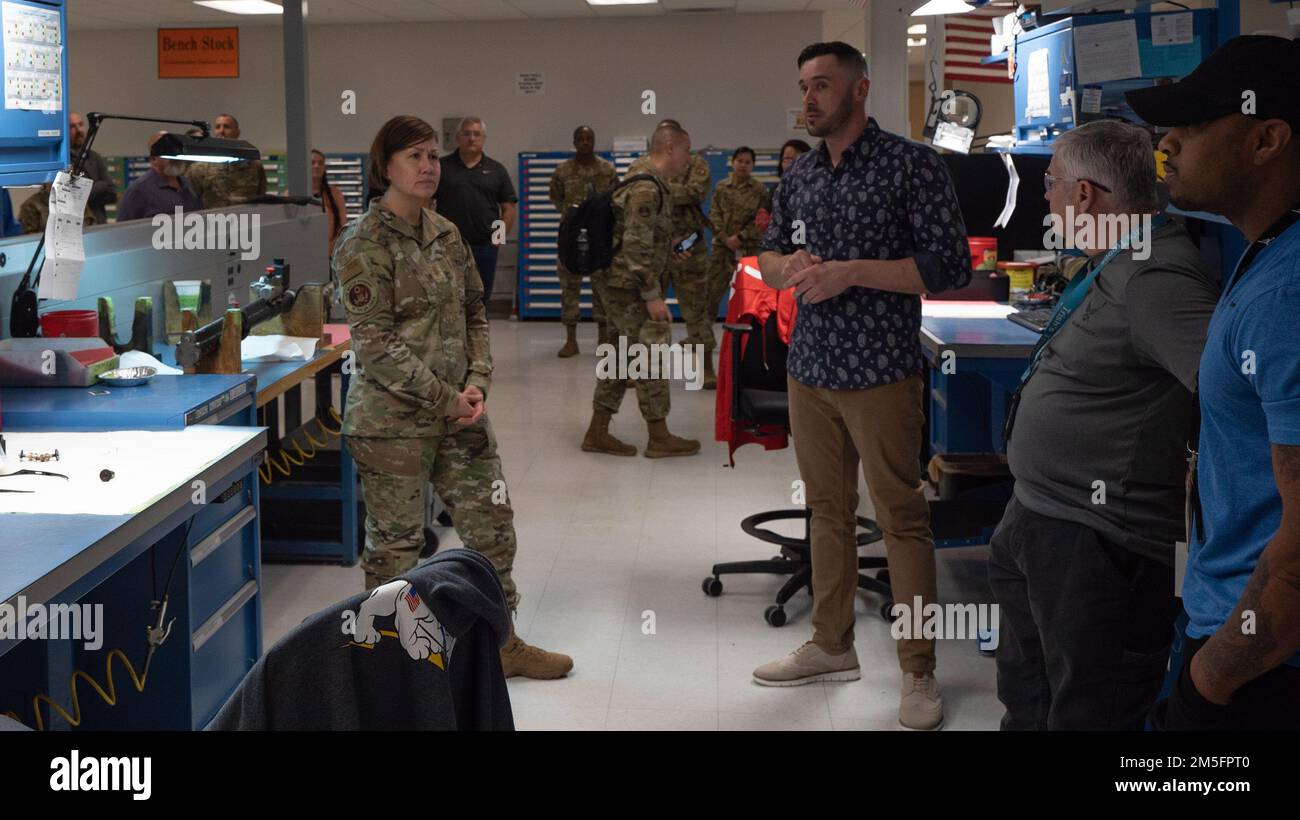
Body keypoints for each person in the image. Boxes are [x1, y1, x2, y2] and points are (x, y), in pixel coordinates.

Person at [751, 42, 970, 731]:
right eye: (804, 85)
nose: (809, 98)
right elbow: (765, 252)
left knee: (902, 520)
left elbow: (948, 266)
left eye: (823, 85)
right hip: (810, 369)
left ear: (859, 90)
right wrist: (787, 266)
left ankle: (918, 670)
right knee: (826, 513)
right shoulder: (802, 174)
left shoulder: (912, 166)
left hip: (881, 372)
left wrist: (853, 271)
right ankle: (831, 644)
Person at [987, 120, 1219, 731]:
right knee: (1029, 693)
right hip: (1042, 518)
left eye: (1050, 183)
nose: (1045, 198)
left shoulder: (1155, 277)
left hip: (1098, 540)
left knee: (1091, 710)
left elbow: (1232, 400)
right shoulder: (1114, 258)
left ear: (1085, 196)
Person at [332, 115, 571, 679]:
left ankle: (501, 643)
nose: (428, 167)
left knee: (492, 525)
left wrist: (478, 383)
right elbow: (376, 346)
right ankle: (390, 668)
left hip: (460, 414)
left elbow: (474, 313)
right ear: (385, 166)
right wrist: (444, 397)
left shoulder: (447, 233)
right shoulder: (362, 243)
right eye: (414, 156)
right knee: (395, 548)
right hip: (391, 423)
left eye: (433, 156)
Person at [1126, 35, 1300, 731]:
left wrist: (1210, 680)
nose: (1169, 143)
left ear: (1267, 141)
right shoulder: (1267, 253)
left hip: (1260, 665)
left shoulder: (1286, 295)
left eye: (1195, 125)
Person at [581, 122, 700, 459]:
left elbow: (641, 235)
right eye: (687, 151)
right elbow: (634, 248)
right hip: (629, 286)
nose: (688, 160)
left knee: (621, 355)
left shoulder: (644, 177)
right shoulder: (647, 186)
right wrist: (652, 296)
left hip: (619, 282)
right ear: (670, 148)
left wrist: (671, 246)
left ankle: (597, 431)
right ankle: (659, 436)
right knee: (650, 352)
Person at [625, 119, 715, 387]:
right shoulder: (645, 170)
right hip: (655, 246)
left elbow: (694, 192)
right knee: (649, 309)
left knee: (696, 309)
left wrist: (661, 186)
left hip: (688, 245)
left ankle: (706, 367)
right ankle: (643, 369)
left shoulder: (695, 164)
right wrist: (661, 187)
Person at [550, 125, 617, 357]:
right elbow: (556, 197)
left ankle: (603, 337)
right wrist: (571, 216)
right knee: (569, 287)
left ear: (594, 141)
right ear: (575, 141)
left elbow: (615, 198)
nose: (585, 142)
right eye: (581, 138)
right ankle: (571, 339)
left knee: (602, 287)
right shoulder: (563, 171)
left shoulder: (606, 170)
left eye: (589, 138)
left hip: (599, 235)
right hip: (571, 237)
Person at [435, 117, 517, 304]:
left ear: (484, 138)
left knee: (481, 299)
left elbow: (508, 207)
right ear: (457, 137)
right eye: (466, 134)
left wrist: (497, 239)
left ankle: (479, 333)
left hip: (484, 247)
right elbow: (425, 203)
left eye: (476, 134)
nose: (471, 138)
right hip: (447, 247)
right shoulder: (441, 167)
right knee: (448, 299)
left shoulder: (496, 170)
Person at [704, 146, 770, 371]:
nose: (743, 165)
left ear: (753, 165)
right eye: (739, 161)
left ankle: (748, 350)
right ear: (732, 163)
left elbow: (761, 221)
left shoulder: (760, 190)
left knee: (749, 301)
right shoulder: (722, 187)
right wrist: (725, 238)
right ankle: (705, 355)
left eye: (747, 162)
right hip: (721, 250)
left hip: (748, 251)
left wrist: (740, 238)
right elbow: (713, 215)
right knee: (709, 299)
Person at [116, 132, 204, 222]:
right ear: (154, 158)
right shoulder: (138, 190)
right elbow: (122, 231)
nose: (176, 157)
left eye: (178, 151)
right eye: (169, 152)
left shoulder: (189, 185)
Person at [187, 113, 268, 208]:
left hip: (247, 219)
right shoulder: (200, 168)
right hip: (214, 220)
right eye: (218, 127)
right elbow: (191, 201)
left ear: (237, 133)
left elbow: (261, 197)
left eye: (226, 127)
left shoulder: (254, 166)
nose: (221, 131)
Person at [68, 112, 117, 224]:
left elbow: (112, 193)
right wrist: (101, 185)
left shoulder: (94, 157)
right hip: (76, 226)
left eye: (80, 124)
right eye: (73, 127)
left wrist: (87, 191)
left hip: (99, 224)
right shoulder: (63, 160)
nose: (79, 130)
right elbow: (73, 199)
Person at [755, 139, 809, 237]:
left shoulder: (813, 188)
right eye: (785, 159)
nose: (788, 163)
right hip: (779, 243)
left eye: (793, 159)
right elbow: (763, 215)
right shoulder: (776, 189)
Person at [311, 148, 348, 257]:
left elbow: (342, 227)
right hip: (302, 254)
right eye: (312, 163)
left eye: (320, 163)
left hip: (331, 254)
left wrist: (328, 249)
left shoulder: (335, 194)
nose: (316, 166)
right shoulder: (291, 194)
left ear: (324, 168)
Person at [18, 183, 97, 234]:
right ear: (45, 183)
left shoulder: (76, 200)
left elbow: (90, 227)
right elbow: (31, 239)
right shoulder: (31, 205)